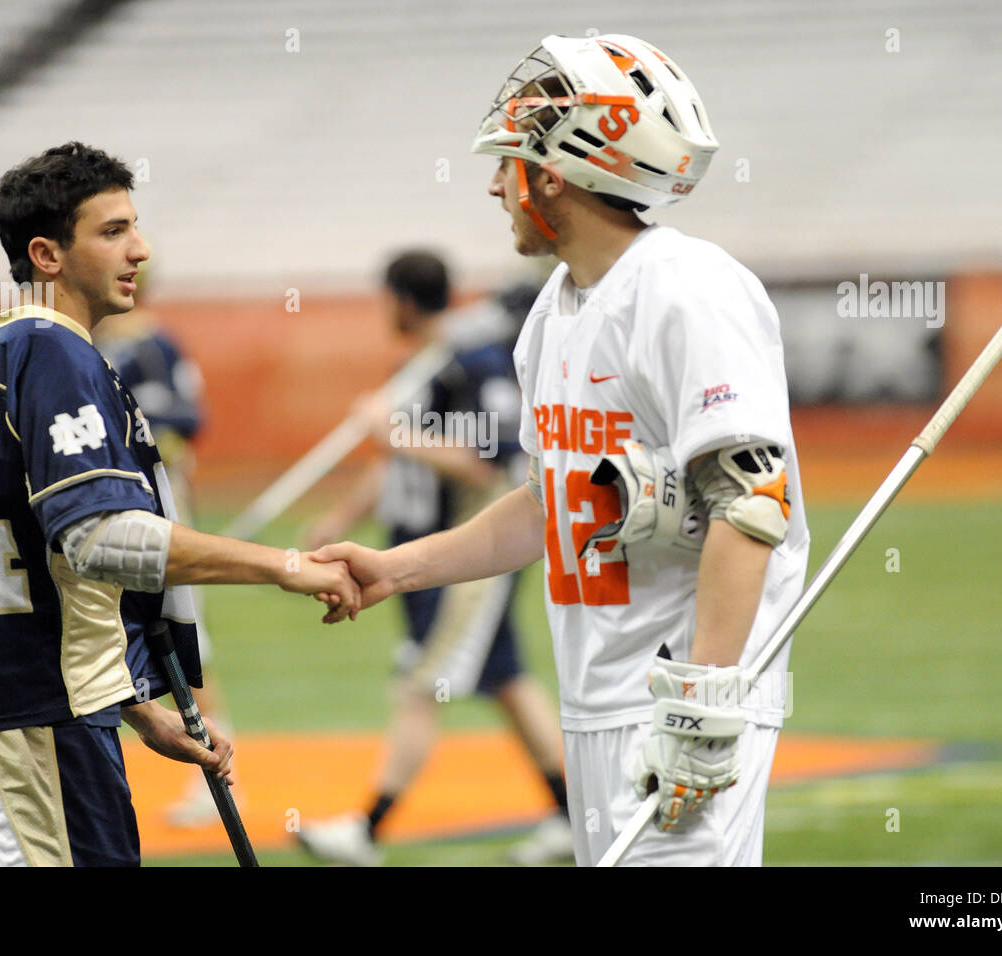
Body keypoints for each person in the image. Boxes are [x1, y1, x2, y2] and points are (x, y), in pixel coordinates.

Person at [314, 35, 809, 866]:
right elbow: (550, 500)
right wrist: (395, 569)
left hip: (679, 702)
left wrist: (706, 703)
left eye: (508, 162)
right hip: (598, 698)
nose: (492, 184)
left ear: (553, 174)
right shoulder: (555, 312)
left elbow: (754, 500)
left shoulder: (687, 288)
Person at [0, 142, 358, 866]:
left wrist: (135, 708)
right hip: (30, 727)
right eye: (113, 230)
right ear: (47, 254)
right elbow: (96, 536)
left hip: (46, 716)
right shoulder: (53, 352)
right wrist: (284, 565)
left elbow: (39, 553)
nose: (140, 249)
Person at [295, 251, 573, 866]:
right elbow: (404, 460)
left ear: (401, 299)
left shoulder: (466, 364)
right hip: (424, 552)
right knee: (507, 682)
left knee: (422, 682)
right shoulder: (421, 367)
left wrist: (391, 432)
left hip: (465, 560)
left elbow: (488, 459)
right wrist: (343, 517)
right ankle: (573, 815)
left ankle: (367, 831)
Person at [91, 274, 239, 827]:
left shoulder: (146, 343)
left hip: (148, 501)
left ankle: (219, 772)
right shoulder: (100, 341)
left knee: (180, 634)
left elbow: (185, 417)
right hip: (126, 502)